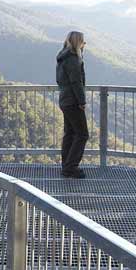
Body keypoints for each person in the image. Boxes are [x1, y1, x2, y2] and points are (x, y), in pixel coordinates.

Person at [56, 30, 89, 179]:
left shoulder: (63, 57)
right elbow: (76, 82)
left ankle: (66, 166)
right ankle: (71, 167)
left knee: (70, 133)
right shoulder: (73, 59)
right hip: (73, 101)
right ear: (78, 42)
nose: (84, 44)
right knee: (82, 134)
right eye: (82, 41)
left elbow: (61, 80)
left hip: (64, 99)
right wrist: (81, 101)